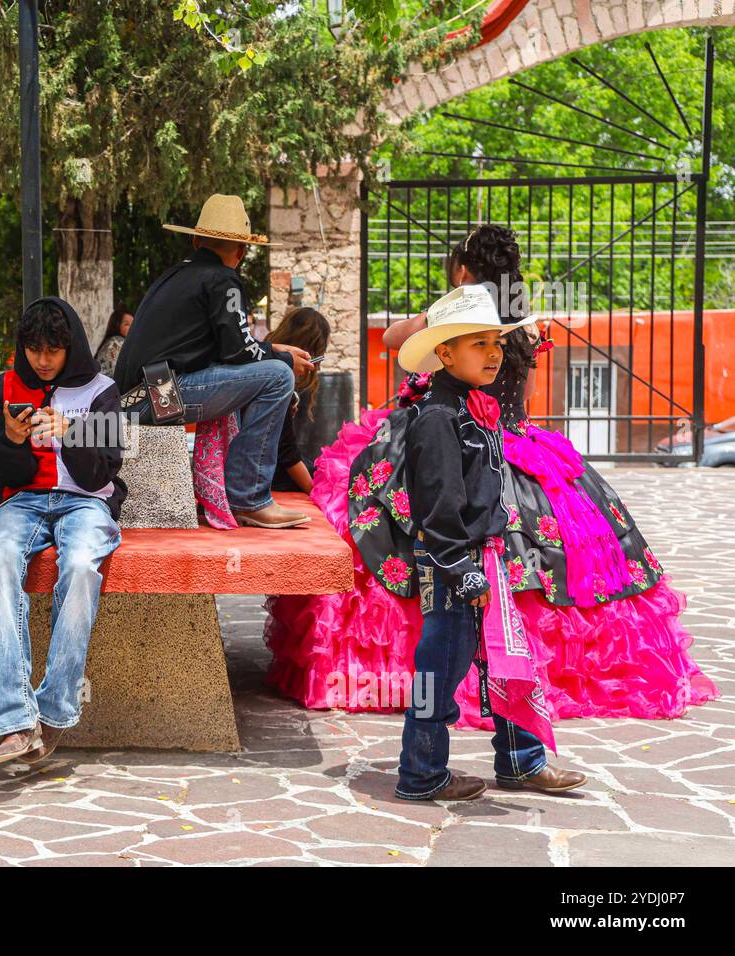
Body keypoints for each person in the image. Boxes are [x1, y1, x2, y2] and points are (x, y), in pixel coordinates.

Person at [264, 224, 716, 730]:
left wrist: (445, 310)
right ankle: (515, 695)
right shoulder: (522, 326)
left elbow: (393, 339)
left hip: (453, 437)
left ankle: (432, 705)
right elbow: (525, 398)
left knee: (394, 515)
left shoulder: (453, 317)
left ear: (462, 269)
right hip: (519, 442)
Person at [394, 284, 586, 800]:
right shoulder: (437, 419)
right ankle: (420, 773)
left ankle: (521, 761)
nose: (494, 353)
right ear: (445, 353)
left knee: (506, 656)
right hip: (453, 564)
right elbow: (438, 507)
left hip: (483, 558)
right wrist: (463, 568)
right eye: (478, 343)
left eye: (496, 342)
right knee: (440, 665)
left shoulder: (473, 410)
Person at [114, 193, 313, 529]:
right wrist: (279, 356)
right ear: (242, 250)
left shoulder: (177, 275)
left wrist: (270, 348)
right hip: (155, 396)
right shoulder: (223, 279)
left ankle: (239, 495)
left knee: (273, 367)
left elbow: (226, 347)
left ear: (195, 240)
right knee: (278, 376)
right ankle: (249, 498)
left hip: (134, 397)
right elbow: (239, 352)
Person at [0, 297, 126, 764]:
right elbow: (4, 473)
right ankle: (13, 719)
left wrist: (71, 431)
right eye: (34, 349)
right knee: (1, 560)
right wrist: (13, 440)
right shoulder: (2, 388)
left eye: (53, 350)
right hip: (21, 501)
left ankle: (52, 711)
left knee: (82, 567)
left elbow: (100, 474)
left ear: (72, 348)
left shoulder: (102, 391)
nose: (42, 361)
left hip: (86, 502)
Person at [265, 306, 331, 493]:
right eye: (319, 355)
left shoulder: (267, 364)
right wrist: (315, 492)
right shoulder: (277, 376)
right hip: (267, 472)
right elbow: (286, 453)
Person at [93, 306, 132, 378]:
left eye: (133, 323)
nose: (132, 327)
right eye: (127, 324)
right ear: (117, 326)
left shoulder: (111, 341)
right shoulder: (117, 342)